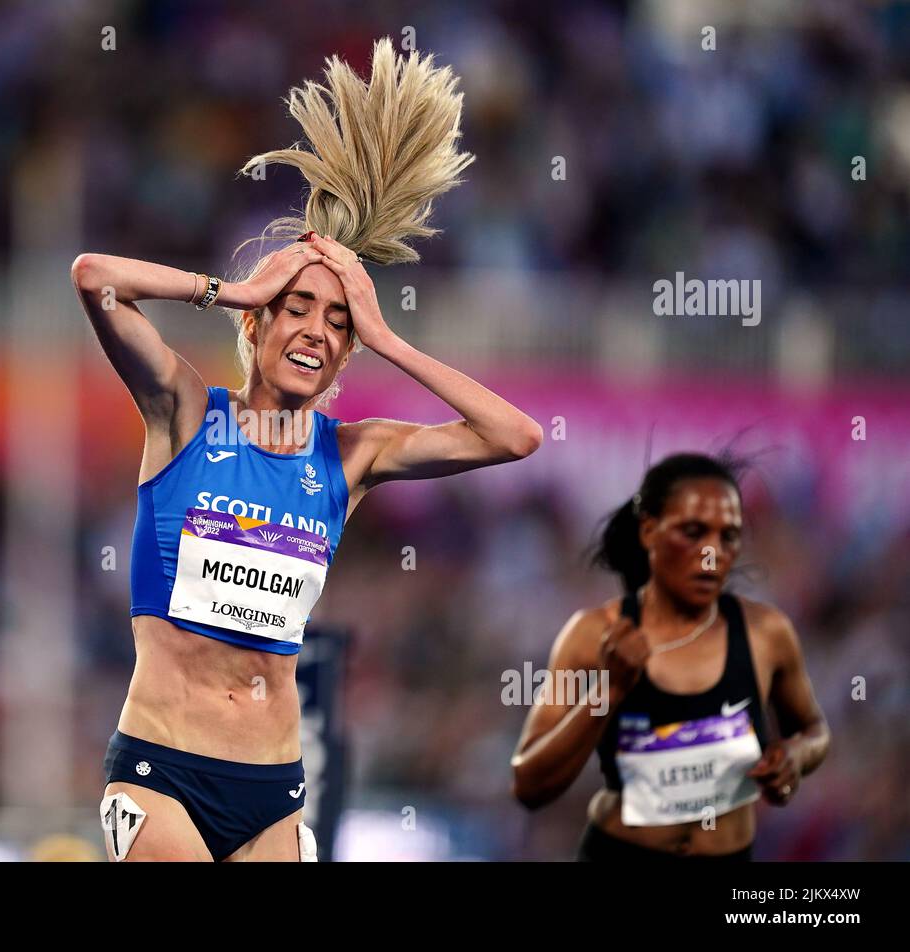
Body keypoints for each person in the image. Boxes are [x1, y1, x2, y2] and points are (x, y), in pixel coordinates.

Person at [72, 37, 542, 861]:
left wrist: (390, 339)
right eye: (296, 309)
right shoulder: (185, 414)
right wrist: (232, 287)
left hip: (275, 789)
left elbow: (516, 435)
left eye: (336, 322)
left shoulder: (352, 457)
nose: (315, 332)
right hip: (162, 771)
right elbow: (93, 276)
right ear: (257, 325)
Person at [511, 453, 830, 859]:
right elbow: (530, 781)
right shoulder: (593, 634)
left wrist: (795, 756)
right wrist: (607, 695)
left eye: (724, 536)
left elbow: (813, 731)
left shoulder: (765, 632)